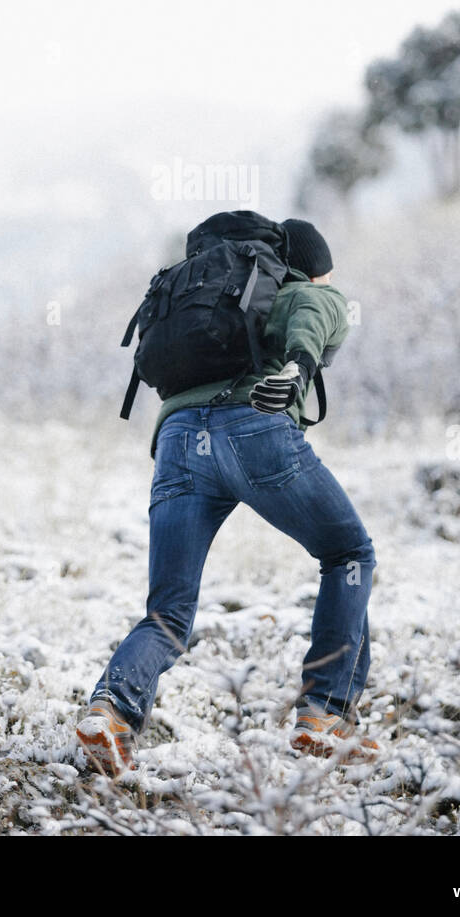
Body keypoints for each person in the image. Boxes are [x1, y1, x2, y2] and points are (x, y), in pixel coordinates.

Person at [76, 218, 377, 774]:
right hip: (253, 428)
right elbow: (313, 313)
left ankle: (111, 713)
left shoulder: (217, 293)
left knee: (168, 611)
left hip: (177, 440)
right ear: (314, 265)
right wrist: (297, 366)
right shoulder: (302, 287)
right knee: (348, 555)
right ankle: (324, 716)